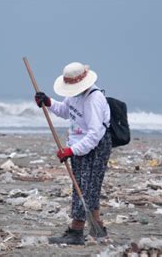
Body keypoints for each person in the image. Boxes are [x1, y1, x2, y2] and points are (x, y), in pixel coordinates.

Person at [34, 62, 111, 245]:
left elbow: (95, 134)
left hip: (96, 147)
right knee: (83, 187)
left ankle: (76, 231)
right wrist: (48, 102)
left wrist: (71, 150)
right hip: (78, 144)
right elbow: (66, 111)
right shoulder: (75, 95)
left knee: (86, 189)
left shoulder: (94, 99)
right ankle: (98, 230)